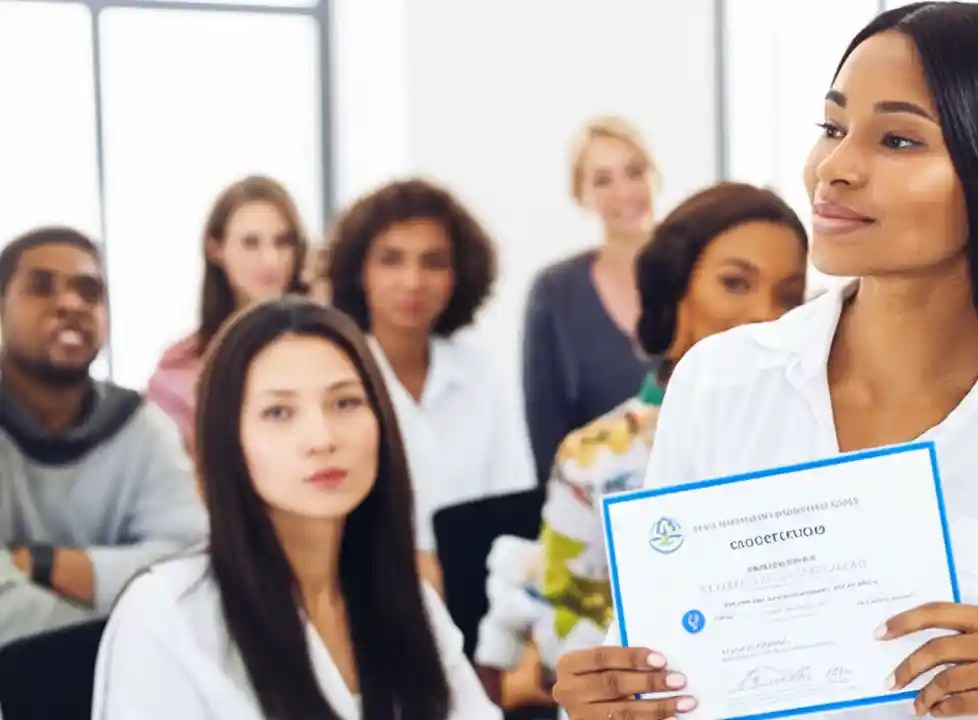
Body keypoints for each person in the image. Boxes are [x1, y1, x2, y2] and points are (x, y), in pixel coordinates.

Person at [551, 4, 978, 720]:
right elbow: (654, 672)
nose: (836, 168)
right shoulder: (720, 381)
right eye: (832, 127)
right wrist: (605, 702)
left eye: (899, 140)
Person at [475, 183, 808, 712]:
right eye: (735, 283)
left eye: (789, 294)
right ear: (675, 293)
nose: (767, 314)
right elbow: (563, 628)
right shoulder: (596, 457)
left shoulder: (825, 437)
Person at [91, 298, 501, 720]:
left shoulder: (406, 598)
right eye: (279, 412)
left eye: (344, 403)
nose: (321, 438)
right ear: (230, 441)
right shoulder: (168, 615)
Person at [0, 227, 207, 648]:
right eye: (41, 287)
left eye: (89, 291)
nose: (70, 304)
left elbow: (192, 566)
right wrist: (129, 623)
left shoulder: (142, 426)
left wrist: (39, 563)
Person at [327, 179, 535, 590]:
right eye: (391, 259)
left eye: (433, 261)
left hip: (483, 602)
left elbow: (514, 513)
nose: (413, 281)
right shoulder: (334, 378)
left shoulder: (483, 373)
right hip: (366, 596)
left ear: (459, 275)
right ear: (359, 271)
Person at [522, 117, 659, 486]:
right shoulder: (555, 293)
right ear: (580, 194)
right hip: (592, 503)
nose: (624, 191)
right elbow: (546, 434)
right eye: (603, 180)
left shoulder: (697, 271)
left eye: (634, 171)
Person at [147, 175, 309, 458]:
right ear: (216, 249)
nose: (271, 260)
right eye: (251, 243)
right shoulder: (179, 372)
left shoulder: (324, 347)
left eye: (283, 242)